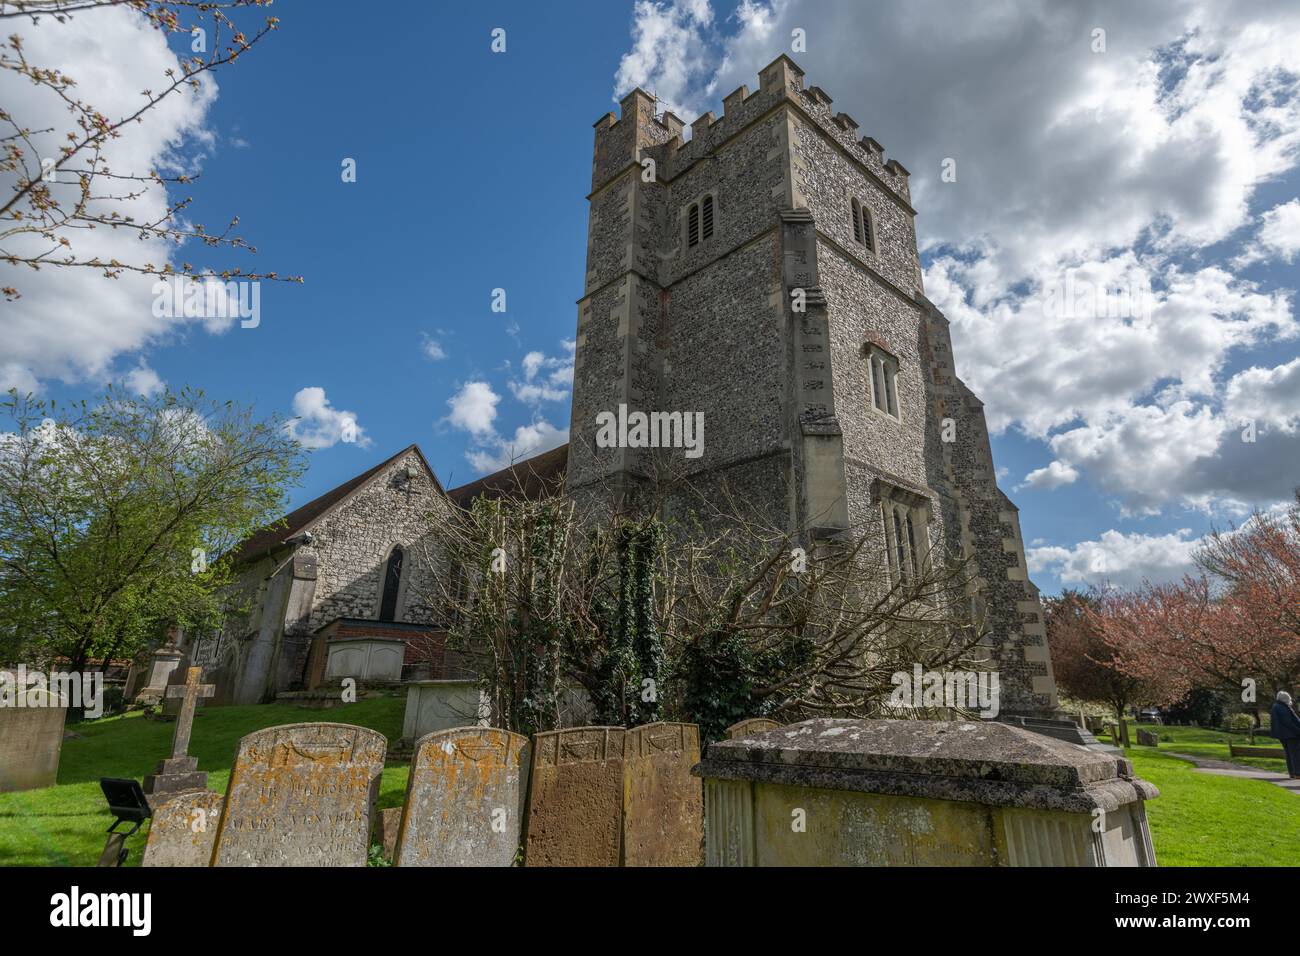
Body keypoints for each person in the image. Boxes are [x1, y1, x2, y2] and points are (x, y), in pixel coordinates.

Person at [1270, 690, 1300, 778]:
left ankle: (1292, 772)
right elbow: (1288, 722)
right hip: (1290, 734)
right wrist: (1298, 731)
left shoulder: (1276, 706)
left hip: (1283, 735)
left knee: (1289, 753)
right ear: (1286, 699)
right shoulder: (1282, 707)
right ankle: (1297, 773)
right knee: (1295, 754)